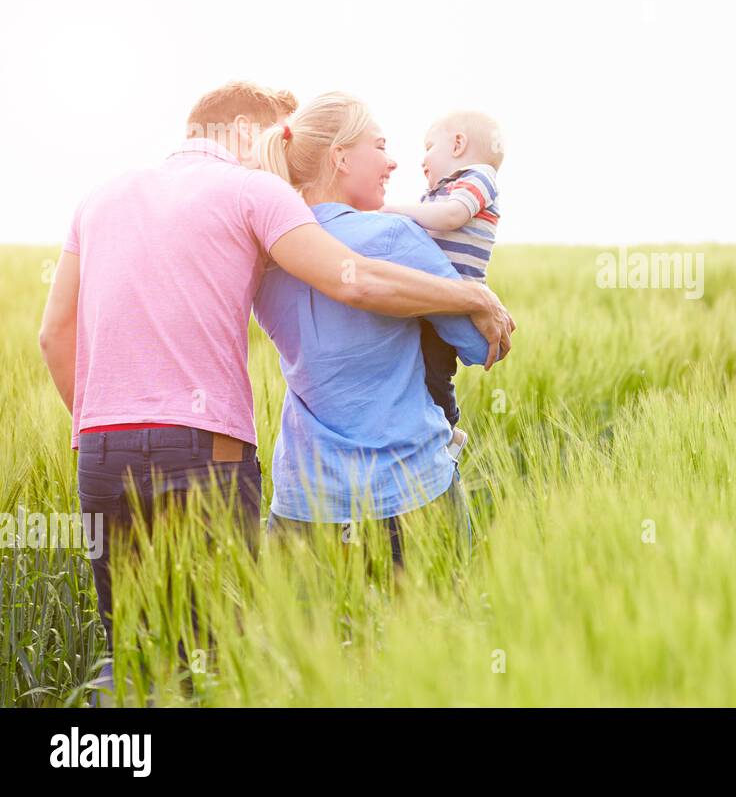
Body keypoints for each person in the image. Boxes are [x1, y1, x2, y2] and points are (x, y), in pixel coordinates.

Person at [36, 81, 514, 696]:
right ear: (245, 130)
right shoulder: (266, 202)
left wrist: (99, 432)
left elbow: (53, 335)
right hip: (270, 462)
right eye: (269, 140)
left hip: (158, 465)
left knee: (137, 655)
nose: (274, 158)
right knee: (228, 658)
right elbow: (366, 287)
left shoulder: (110, 199)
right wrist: (474, 291)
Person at [253, 93, 486, 564]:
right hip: (410, 491)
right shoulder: (395, 237)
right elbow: (480, 344)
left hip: (303, 501)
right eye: (380, 146)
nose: (394, 161)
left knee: (308, 639)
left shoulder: (267, 260)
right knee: (436, 633)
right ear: (340, 157)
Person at [381, 110, 503, 462]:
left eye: (429, 146)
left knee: (434, 372)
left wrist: (393, 210)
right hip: (429, 298)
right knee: (412, 369)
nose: (423, 158)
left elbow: (451, 217)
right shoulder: (437, 194)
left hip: (452, 301)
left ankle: (447, 431)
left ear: (458, 143)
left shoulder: (479, 178)